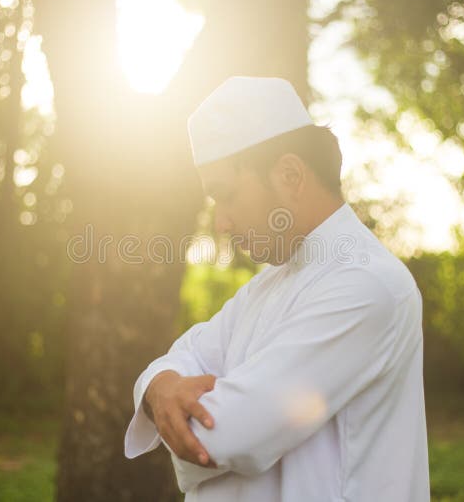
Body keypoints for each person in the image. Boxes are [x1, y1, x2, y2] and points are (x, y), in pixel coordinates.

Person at [124, 76, 430, 501]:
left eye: (226, 195)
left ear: (290, 175)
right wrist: (159, 385)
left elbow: (223, 437)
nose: (221, 223)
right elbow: (182, 356)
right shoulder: (264, 287)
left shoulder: (367, 285)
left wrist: (168, 407)